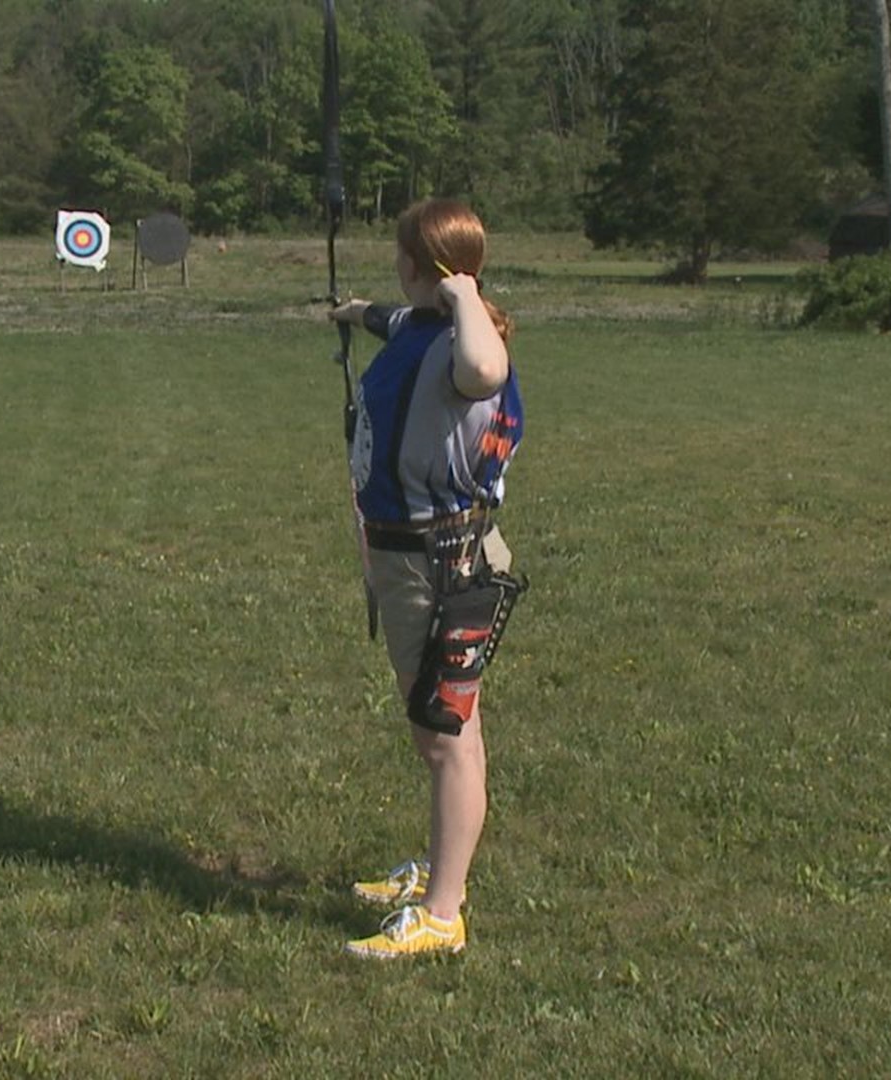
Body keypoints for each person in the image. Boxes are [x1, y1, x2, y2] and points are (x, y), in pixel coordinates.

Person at [328, 197, 522, 960]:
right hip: (423, 556)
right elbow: (390, 320)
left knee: (443, 737)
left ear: (421, 266)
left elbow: (484, 368)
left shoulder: (463, 347)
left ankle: (443, 913)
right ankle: (445, 875)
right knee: (449, 732)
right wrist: (348, 311)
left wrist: (464, 293)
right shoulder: (425, 327)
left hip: (438, 562)